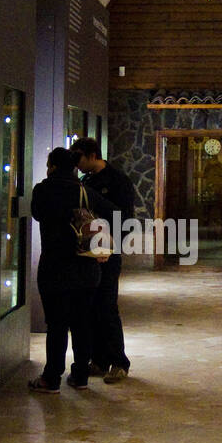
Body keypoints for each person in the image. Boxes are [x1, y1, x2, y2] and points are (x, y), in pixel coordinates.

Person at [29, 147, 117, 393]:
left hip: (54, 268)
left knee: (56, 324)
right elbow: (114, 212)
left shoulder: (42, 190)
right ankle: (80, 377)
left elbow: (37, 214)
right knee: (82, 323)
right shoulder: (85, 192)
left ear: (53, 166)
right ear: (74, 168)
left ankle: (52, 378)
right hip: (86, 268)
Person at [70, 137, 136, 383]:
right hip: (87, 256)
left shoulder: (118, 181)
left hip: (108, 255)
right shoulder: (85, 181)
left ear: (92, 155)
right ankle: (98, 360)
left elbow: (125, 220)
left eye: (80, 158)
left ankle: (119, 362)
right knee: (91, 308)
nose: (77, 164)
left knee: (107, 307)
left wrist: (108, 247)